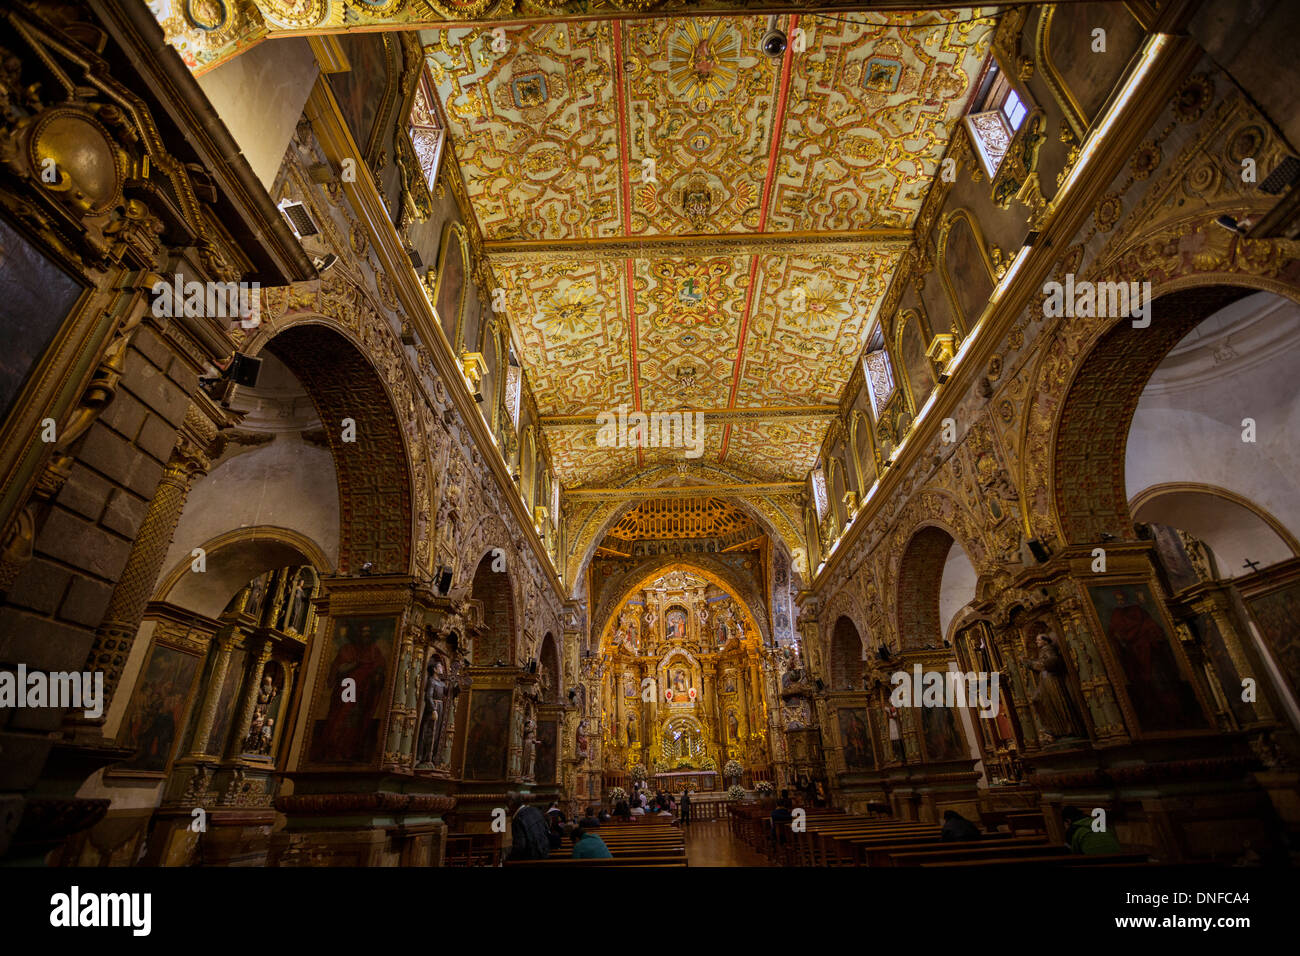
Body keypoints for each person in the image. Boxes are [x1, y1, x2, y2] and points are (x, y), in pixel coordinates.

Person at [507, 793, 550, 860]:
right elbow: (546, 830)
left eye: (507, 805)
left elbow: (520, 846)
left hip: (530, 859)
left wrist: (509, 859)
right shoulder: (535, 811)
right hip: (544, 855)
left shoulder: (518, 819)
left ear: (511, 804)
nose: (508, 809)